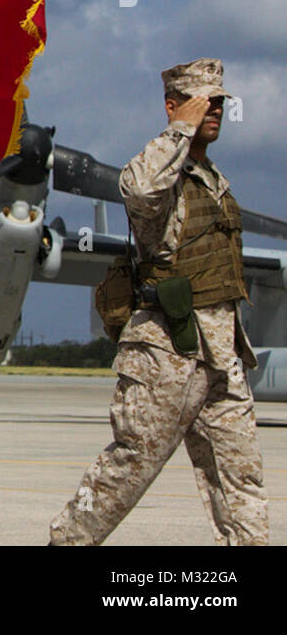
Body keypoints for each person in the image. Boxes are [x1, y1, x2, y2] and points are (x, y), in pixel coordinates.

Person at [49, 58, 267, 545]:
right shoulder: (160, 172)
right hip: (168, 352)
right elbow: (138, 188)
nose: (214, 109)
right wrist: (178, 130)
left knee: (239, 476)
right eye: (202, 101)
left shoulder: (210, 177)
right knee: (130, 467)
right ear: (173, 106)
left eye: (219, 102)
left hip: (222, 353)